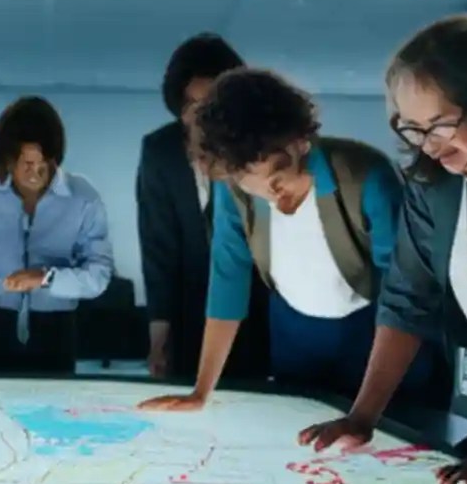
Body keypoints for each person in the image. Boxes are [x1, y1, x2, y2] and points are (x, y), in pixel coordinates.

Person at [299, 15, 467, 484]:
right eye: (414, 128)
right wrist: (362, 416)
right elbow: (407, 300)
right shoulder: (435, 185)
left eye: (443, 123)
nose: (431, 144)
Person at [142, 68, 414, 411]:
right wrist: (201, 391)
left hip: (375, 330)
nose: (274, 197)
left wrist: (363, 415)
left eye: (278, 178)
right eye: (252, 184)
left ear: (300, 141)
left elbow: (405, 294)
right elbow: (228, 280)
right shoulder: (235, 188)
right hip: (293, 334)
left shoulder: (367, 176)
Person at [0, 96, 113, 375]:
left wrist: (47, 278)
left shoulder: (83, 197)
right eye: (25, 164)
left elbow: (99, 275)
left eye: (42, 165)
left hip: (57, 331)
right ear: (7, 158)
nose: (34, 175)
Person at [137, 34, 268, 380]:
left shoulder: (260, 148)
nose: (203, 120)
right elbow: (157, 249)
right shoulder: (159, 151)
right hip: (188, 314)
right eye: (193, 107)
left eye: (213, 105)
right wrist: (158, 335)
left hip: (257, 312)